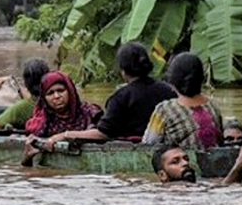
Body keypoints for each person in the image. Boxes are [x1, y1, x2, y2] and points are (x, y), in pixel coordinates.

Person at [42, 42, 177, 146]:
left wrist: (65, 135)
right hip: (165, 147)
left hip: (131, 147)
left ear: (122, 70)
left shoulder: (120, 97)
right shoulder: (168, 90)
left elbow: (103, 134)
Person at [142, 53, 223, 149]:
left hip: (181, 161)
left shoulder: (164, 110)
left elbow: (148, 144)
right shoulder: (213, 105)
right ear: (201, 78)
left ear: (172, 81)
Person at [23, 72, 103, 162]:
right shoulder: (43, 123)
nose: (56, 96)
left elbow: (104, 133)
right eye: (50, 93)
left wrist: (64, 136)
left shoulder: (90, 113)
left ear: (70, 91)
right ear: (44, 99)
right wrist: (27, 158)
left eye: (61, 90)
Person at [151, 142, 242, 186]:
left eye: (186, 159)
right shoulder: (173, 189)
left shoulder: (197, 183)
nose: (185, 163)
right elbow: (224, 189)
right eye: (175, 162)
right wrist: (240, 164)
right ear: (162, 175)